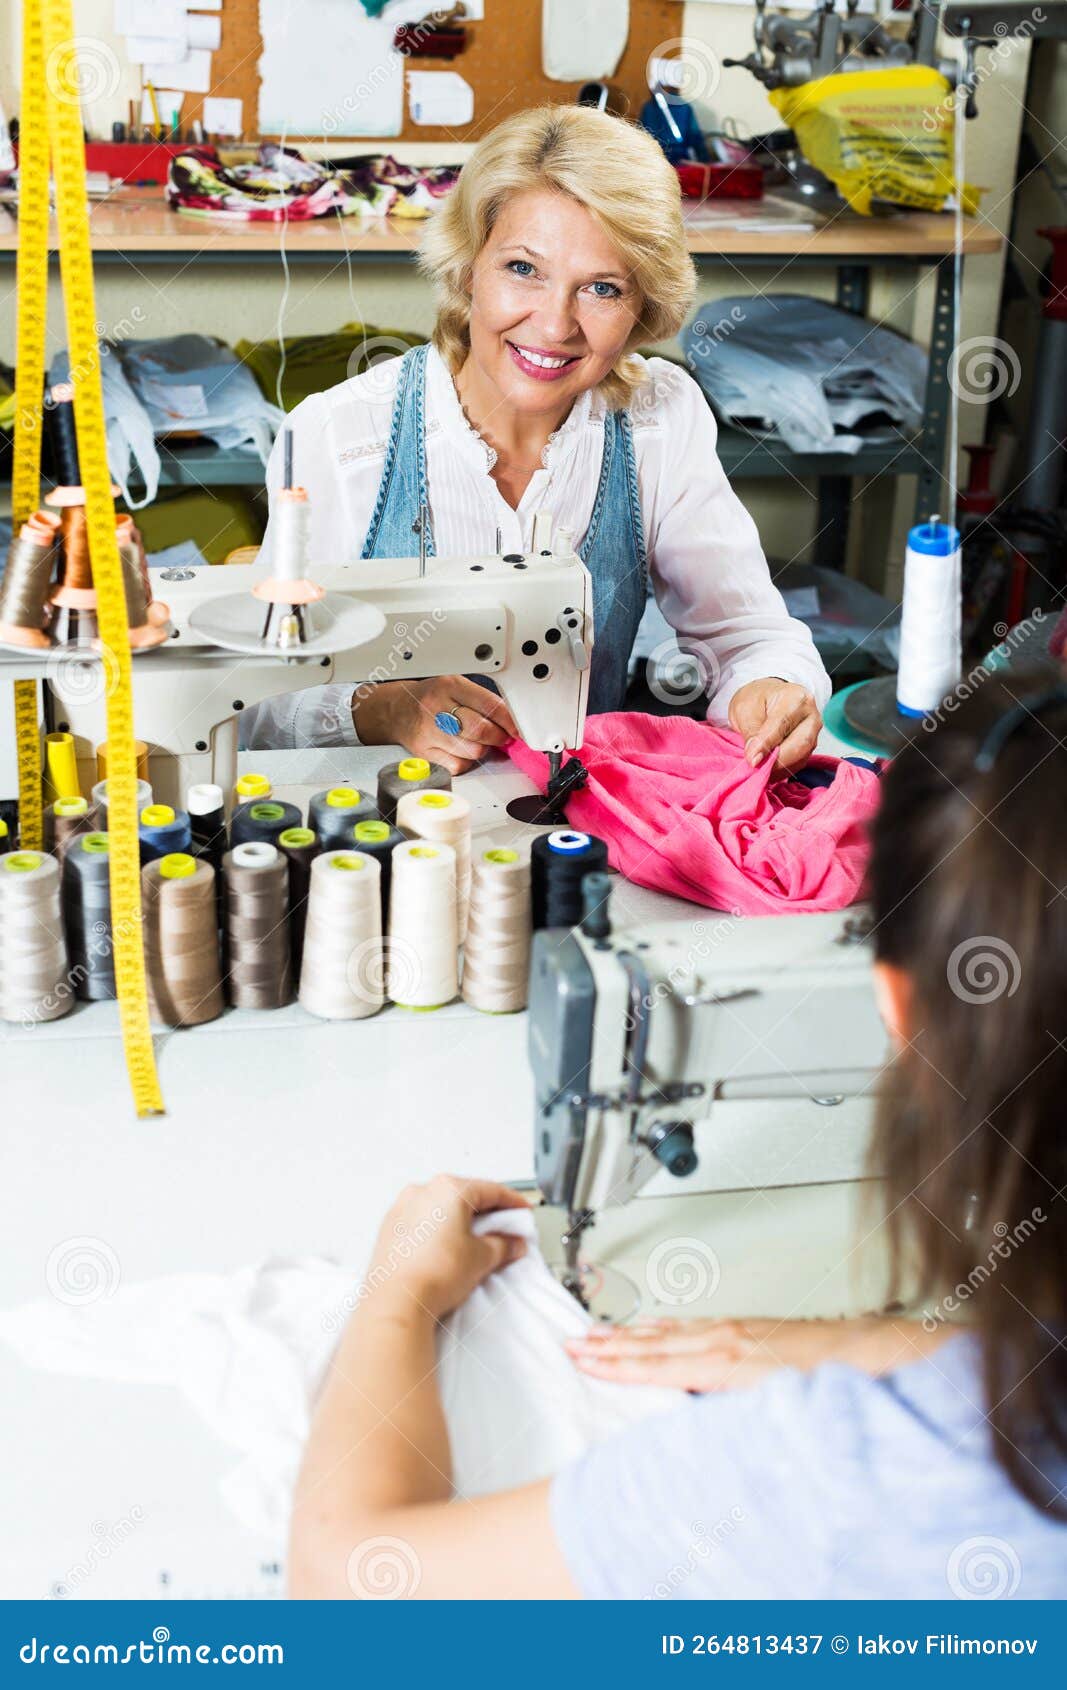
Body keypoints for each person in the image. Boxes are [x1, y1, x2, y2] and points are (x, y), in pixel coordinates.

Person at [288, 671, 1067, 1598]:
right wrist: (864, 1345)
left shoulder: (863, 1471)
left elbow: (352, 1585)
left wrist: (400, 1290)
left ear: (893, 1006)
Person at [242, 106, 828, 777]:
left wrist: (769, 690)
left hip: (573, 821)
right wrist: (381, 708)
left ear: (643, 309)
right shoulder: (341, 433)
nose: (554, 325)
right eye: (522, 269)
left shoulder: (657, 416)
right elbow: (254, 698)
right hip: (378, 827)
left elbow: (746, 632)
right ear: (468, 269)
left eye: (602, 289)